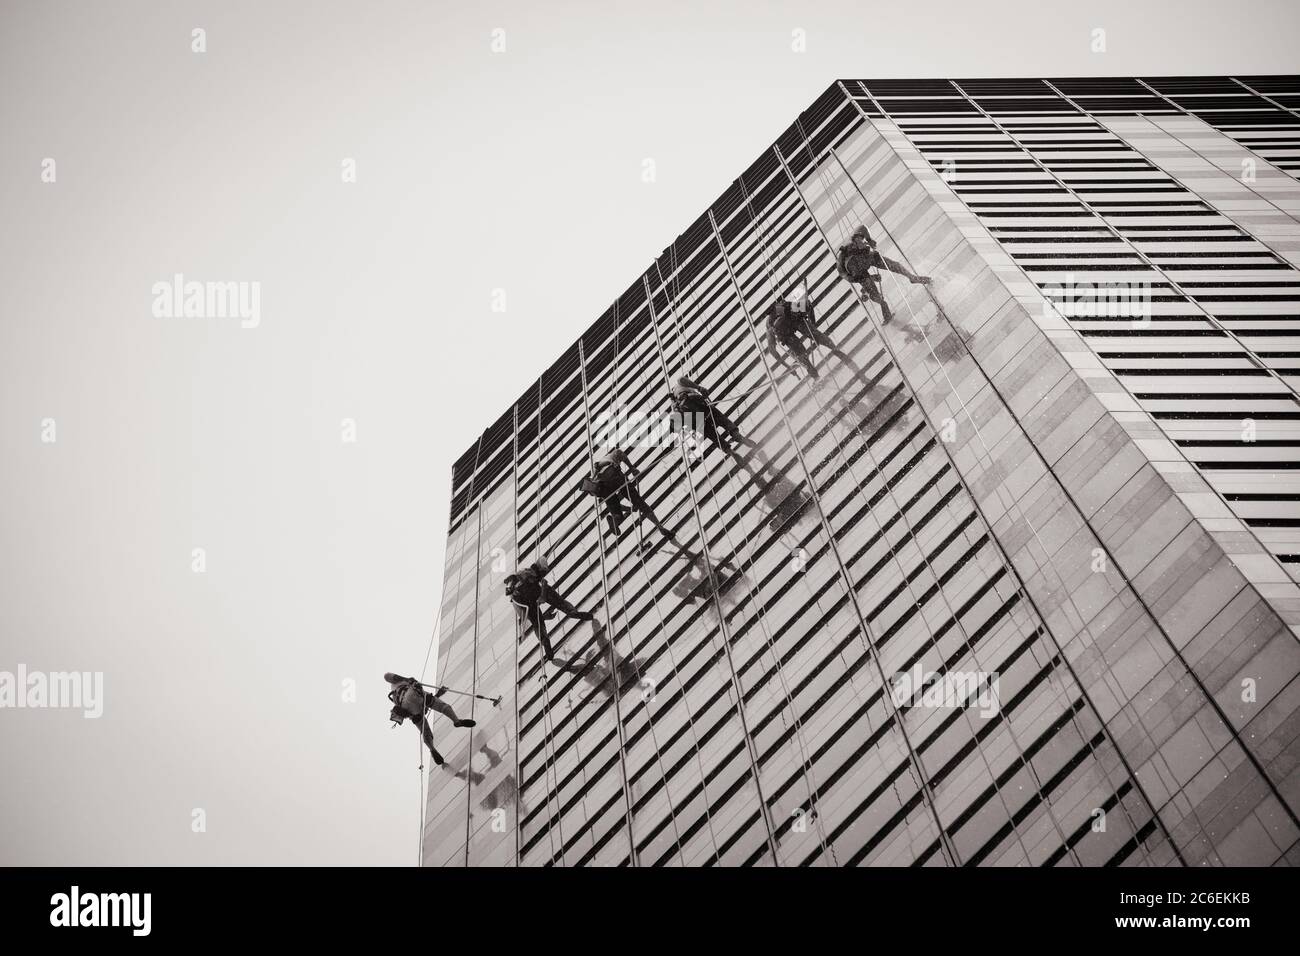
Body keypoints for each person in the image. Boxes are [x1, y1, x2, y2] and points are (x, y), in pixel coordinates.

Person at [765, 275, 865, 381]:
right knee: (805, 349)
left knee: (804, 351)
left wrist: (788, 366)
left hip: (789, 326)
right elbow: (773, 350)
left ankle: (816, 373)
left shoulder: (790, 311)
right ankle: (821, 365)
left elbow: (773, 351)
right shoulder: (777, 320)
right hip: (787, 329)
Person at [580, 447, 683, 550]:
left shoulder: (597, 479)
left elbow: (617, 505)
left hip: (605, 485)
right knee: (641, 504)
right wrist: (632, 468)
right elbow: (619, 452)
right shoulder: (608, 458)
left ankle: (615, 521)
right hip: (614, 475)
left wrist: (629, 509)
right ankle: (660, 528)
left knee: (617, 514)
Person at [505, 560, 595, 667]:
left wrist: (542, 595)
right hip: (532, 604)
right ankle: (546, 645)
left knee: (565, 608)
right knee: (539, 627)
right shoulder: (517, 601)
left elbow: (543, 580)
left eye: (517, 585)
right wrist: (544, 616)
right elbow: (531, 618)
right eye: (514, 589)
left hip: (543, 591)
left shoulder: (524, 575)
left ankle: (575, 614)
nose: (517, 587)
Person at [836, 225, 931, 324]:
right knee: (873, 293)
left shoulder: (856, 243)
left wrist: (869, 239)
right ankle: (884, 307)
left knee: (894, 265)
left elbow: (862, 228)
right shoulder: (852, 270)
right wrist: (872, 278)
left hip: (864, 259)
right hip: (858, 269)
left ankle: (912, 278)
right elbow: (849, 276)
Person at [384, 672, 476, 768]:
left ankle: (432, 749)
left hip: (410, 710)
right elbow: (387, 676)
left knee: (425, 730)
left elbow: (422, 704)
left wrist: (438, 693)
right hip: (412, 696)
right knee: (443, 707)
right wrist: (409, 679)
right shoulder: (401, 683)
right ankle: (457, 721)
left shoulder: (397, 693)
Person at [667, 375, 756, 457]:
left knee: (712, 434)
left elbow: (686, 421)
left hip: (696, 418)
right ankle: (736, 435)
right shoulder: (679, 386)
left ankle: (729, 451)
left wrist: (694, 430)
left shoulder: (675, 406)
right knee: (721, 419)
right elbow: (681, 379)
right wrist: (699, 388)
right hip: (697, 404)